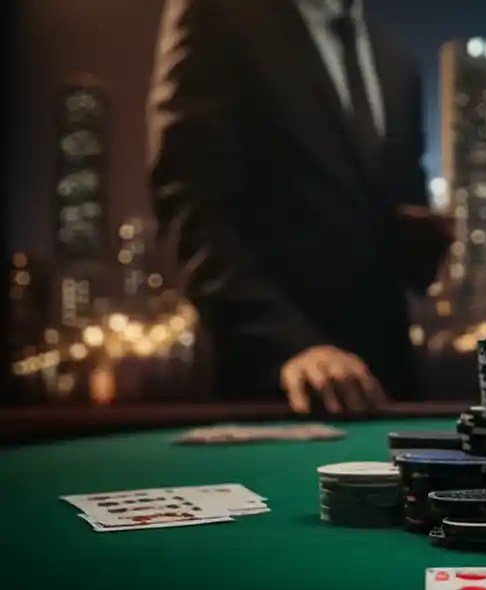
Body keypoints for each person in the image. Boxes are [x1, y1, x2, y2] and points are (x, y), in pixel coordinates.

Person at [148, 0, 449, 413]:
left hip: (388, 391)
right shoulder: (216, 14)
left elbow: (398, 220)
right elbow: (191, 211)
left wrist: (431, 243)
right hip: (272, 389)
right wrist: (290, 346)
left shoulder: (398, 62)